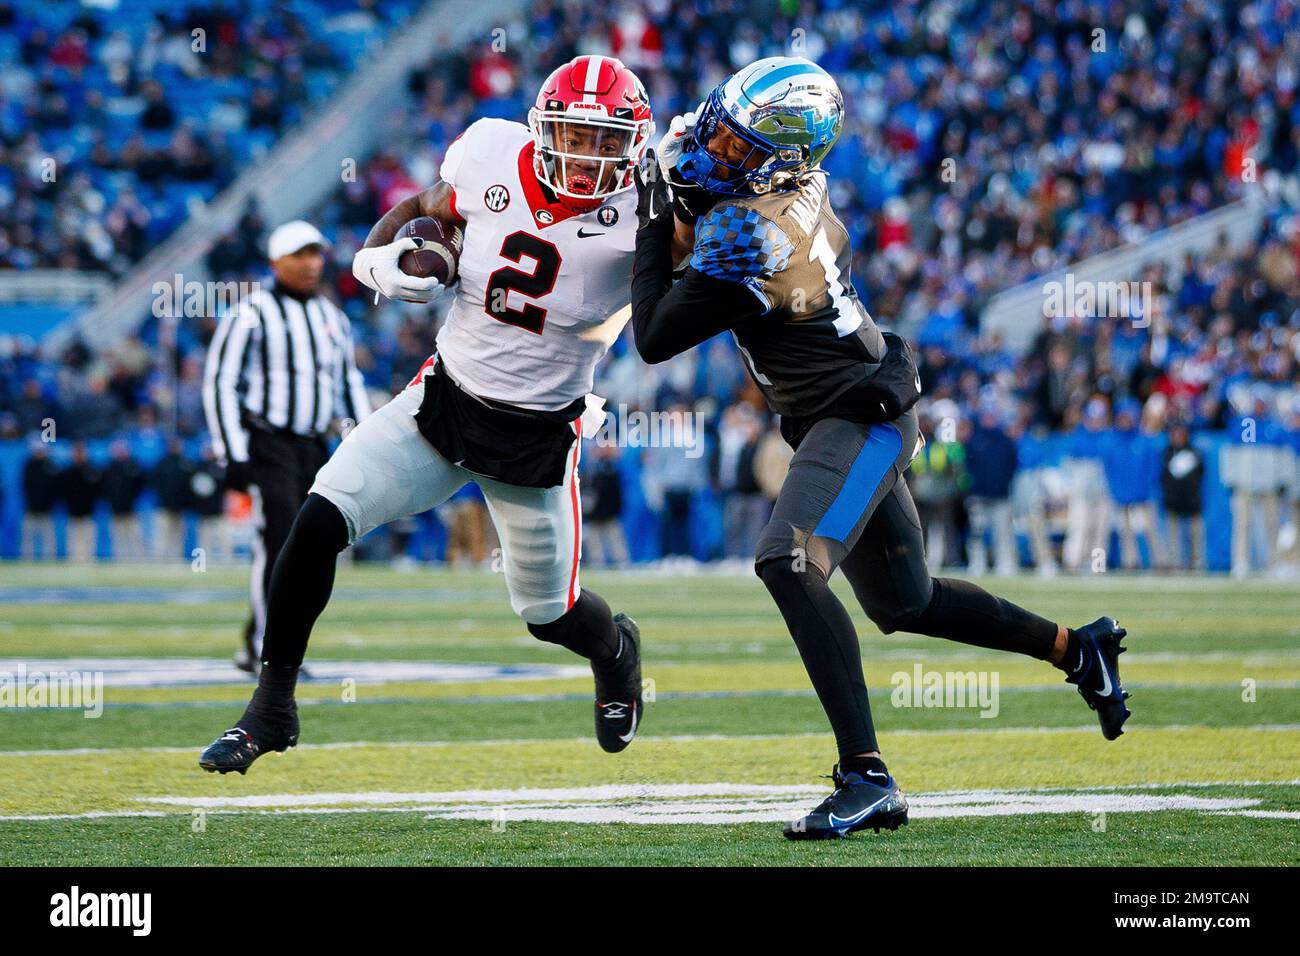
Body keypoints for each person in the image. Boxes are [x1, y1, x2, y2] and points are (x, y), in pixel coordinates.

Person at [631, 56, 1131, 840]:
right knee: (907, 602)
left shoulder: (751, 230)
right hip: (851, 404)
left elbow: (654, 335)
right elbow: (712, 211)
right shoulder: (790, 188)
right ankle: (1079, 650)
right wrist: (681, 190)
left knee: (788, 562)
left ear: (782, 161)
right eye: (720, 131)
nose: (715, 150)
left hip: (856, 416)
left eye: (736, 146)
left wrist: (651, 212)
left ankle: (866, 777)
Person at [199, 56, 661, 774]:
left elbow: (678, 307)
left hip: (536, 435)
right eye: (574, 134)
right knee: (316, 522)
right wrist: (382, 258)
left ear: (633, 145)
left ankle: (616, 653)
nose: (586, 154)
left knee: (550, 614)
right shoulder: (490, 153)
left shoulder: (653, 209)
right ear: (544, 130)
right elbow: (423, 206)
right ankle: (271, 707)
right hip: (442, 401)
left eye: (606, 140)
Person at [201, 219, 372, 673]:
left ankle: (258, 642)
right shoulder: (251, 312)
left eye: (316, 254)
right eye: (300, 254)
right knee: (278, 540)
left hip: (315, 446)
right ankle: (267, 648)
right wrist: (232, 451)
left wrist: (361, 440)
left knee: (310, 546)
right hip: (269, 443)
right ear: (276, 262)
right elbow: (220, 382)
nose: (311, 263)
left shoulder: (332, 316)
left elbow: (347, 382)